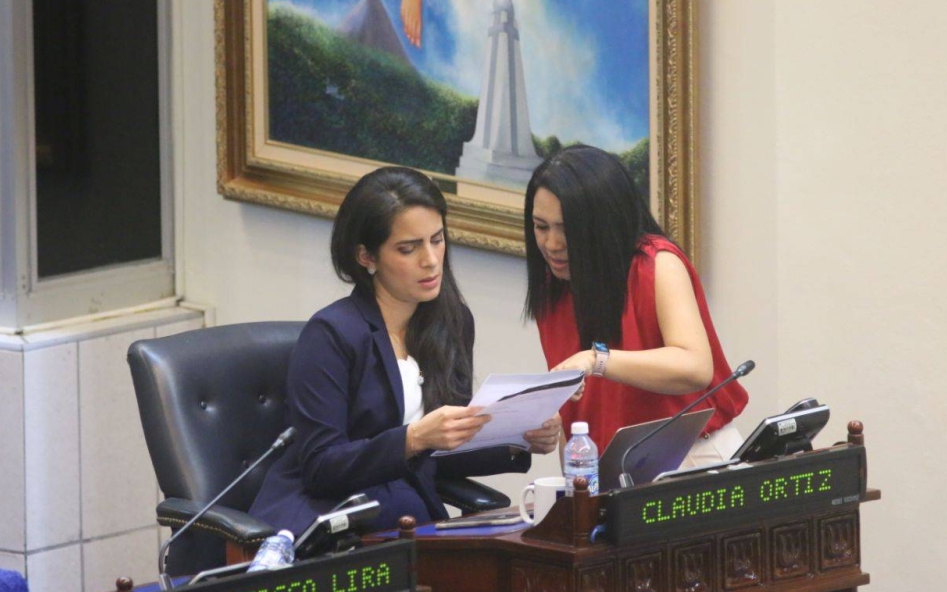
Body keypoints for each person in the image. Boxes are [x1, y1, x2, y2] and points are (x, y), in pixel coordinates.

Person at [250, 166, 561, 534]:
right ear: (366, 257)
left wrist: (517, 439)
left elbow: (437, 457)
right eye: (408, 248)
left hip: (405, 514)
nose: (430, 259)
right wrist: (414, 439)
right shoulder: (331, 335)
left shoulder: (453, 322)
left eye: (437, 239)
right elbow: (321, 468)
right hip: (331, 520)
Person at [523, 145, 748, 467]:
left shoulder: (657, 264)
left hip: (692, 455)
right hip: (607, 467)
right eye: (540, 227)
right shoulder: (552, 286)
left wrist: (596, 360)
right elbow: (578, 414)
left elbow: (695, 367)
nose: (552, 245)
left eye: (567, 229)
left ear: (601, 224)